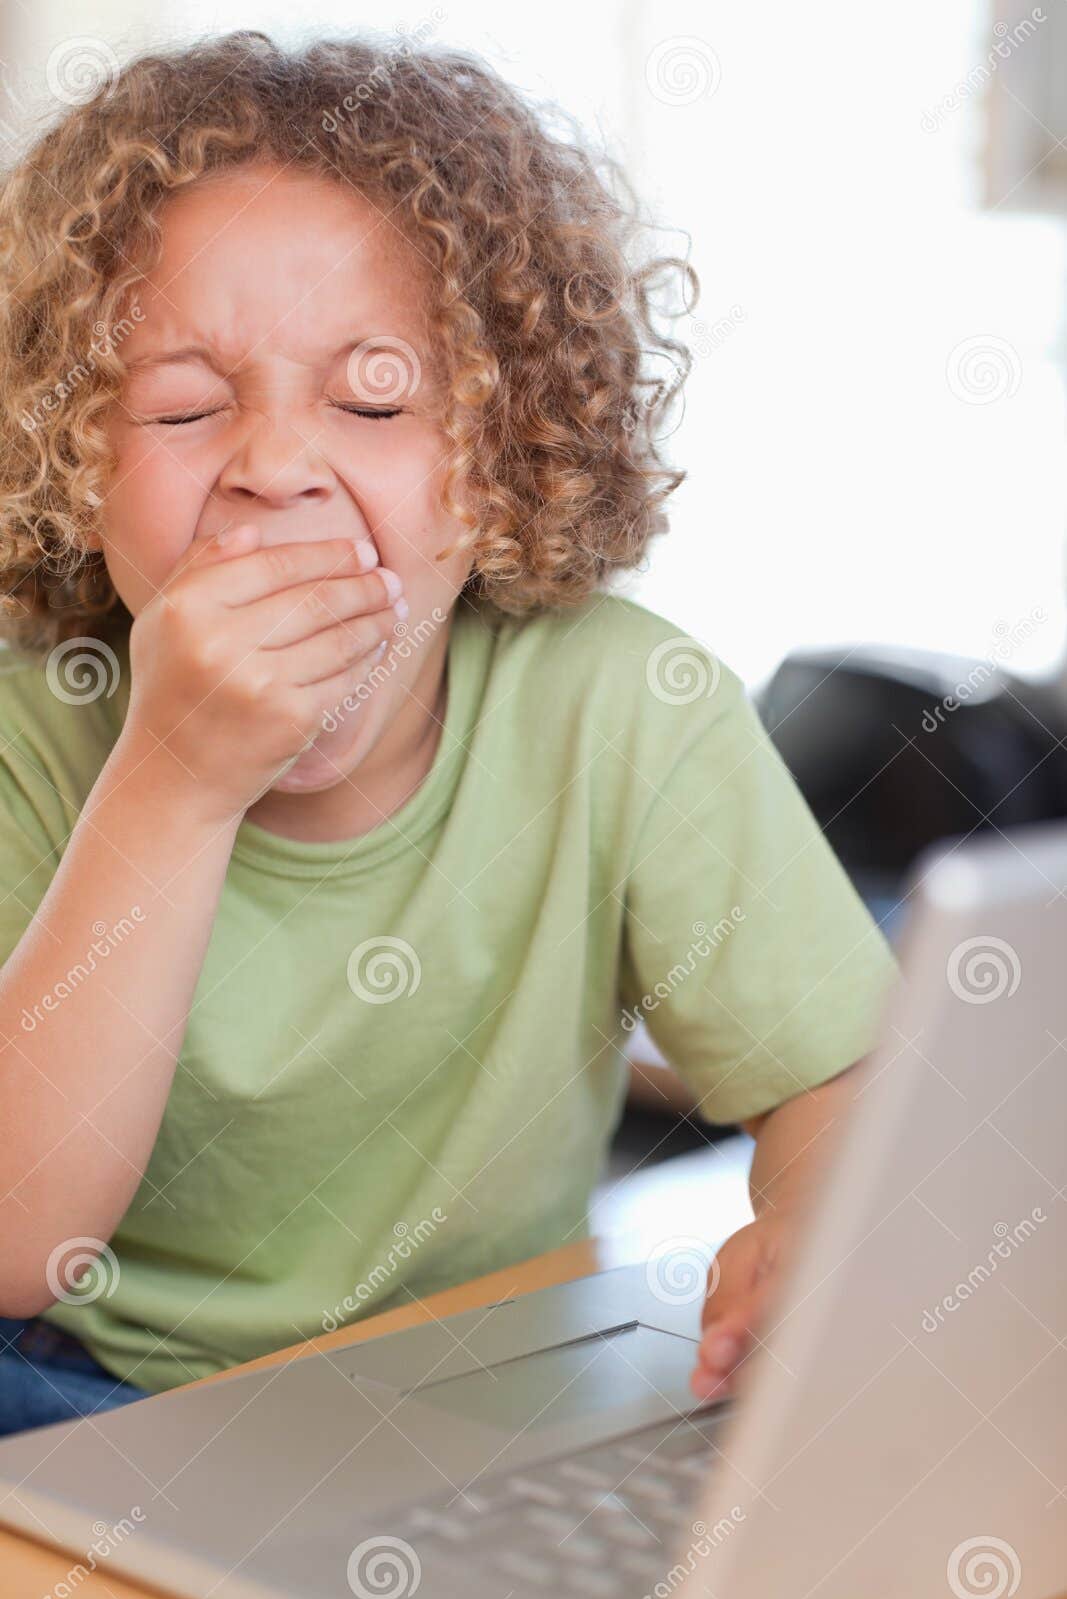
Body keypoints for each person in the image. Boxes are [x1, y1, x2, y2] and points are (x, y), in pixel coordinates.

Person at [0, 32, 897, 1438]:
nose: (280, 463)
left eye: (372, 398)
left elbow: (838, 1082)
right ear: (69, 462)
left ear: (504, 459)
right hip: (75, 1388)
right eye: (182, 404)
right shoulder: (28, 729)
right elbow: (15, 1240)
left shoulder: (625, 710)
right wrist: (170, 786)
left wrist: (810, 1228)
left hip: (490, 1385)